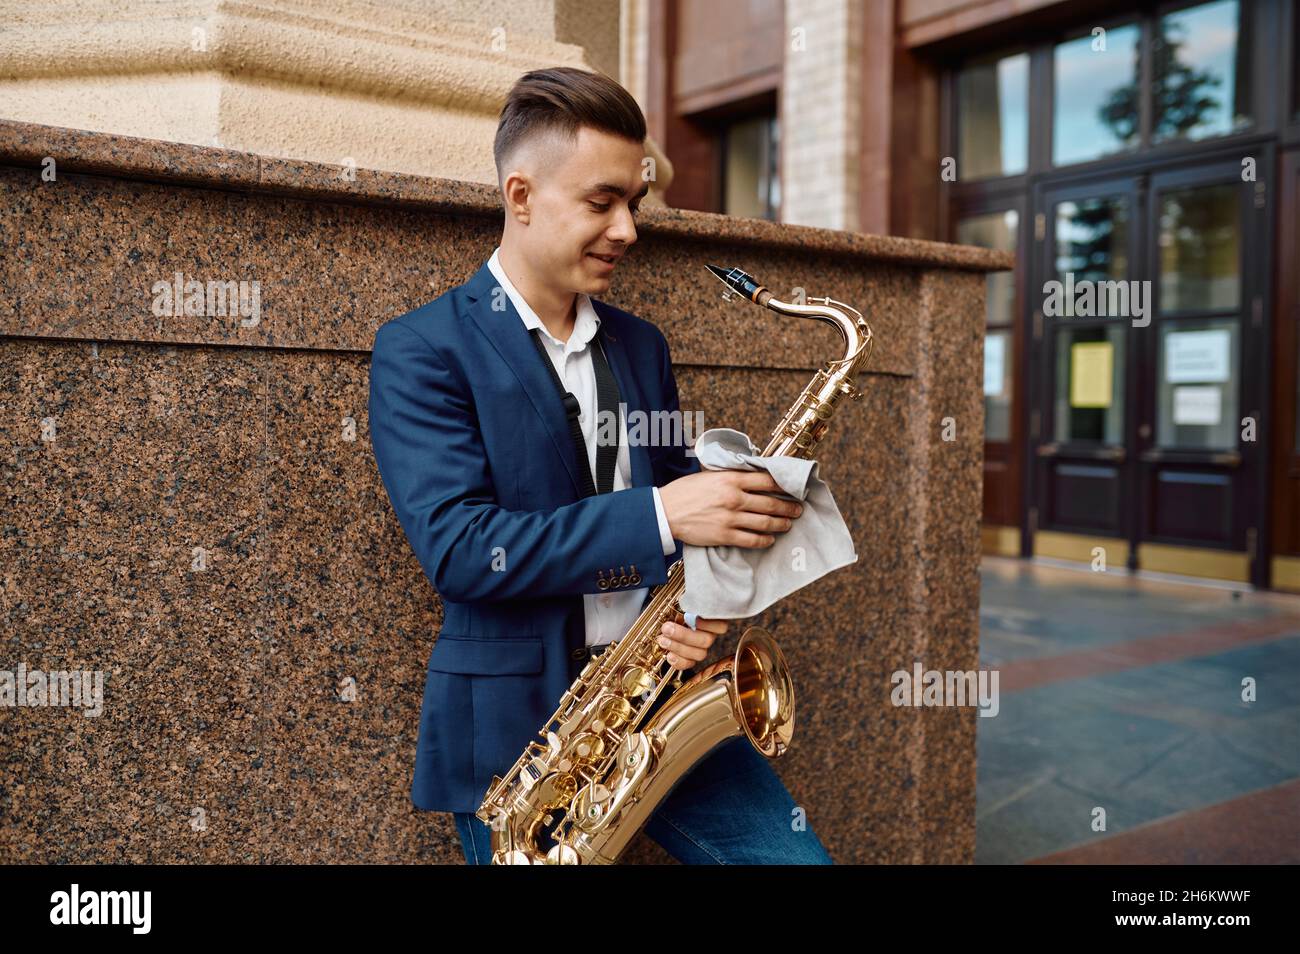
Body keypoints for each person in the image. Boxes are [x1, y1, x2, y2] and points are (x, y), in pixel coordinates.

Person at [368, 66, 831, 865]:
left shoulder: (640, 343)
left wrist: (706, 602)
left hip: (663, 697)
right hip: (521, 742)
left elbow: (677, 497)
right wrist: (664, 515)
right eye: (601, 202)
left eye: (635, 204)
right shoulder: (421, 349)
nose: (627, 230)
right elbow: (460, 549)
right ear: (520, 196)